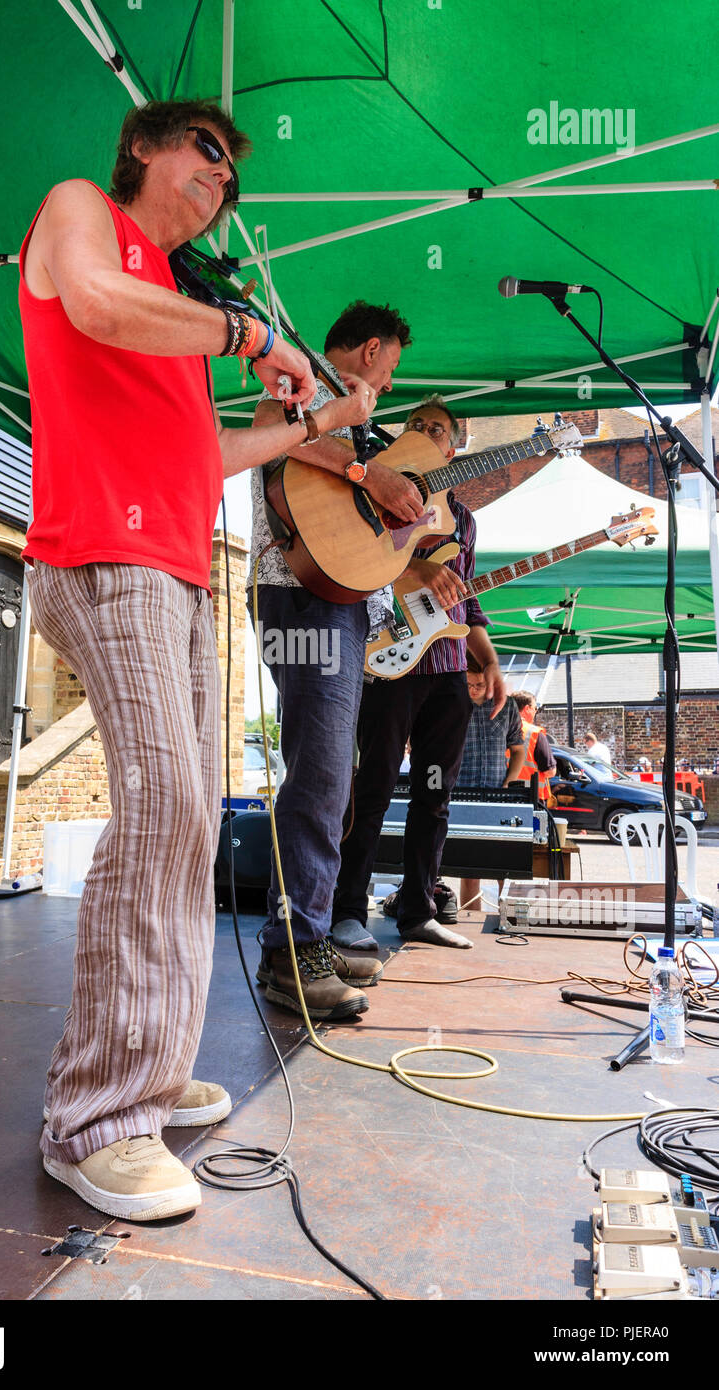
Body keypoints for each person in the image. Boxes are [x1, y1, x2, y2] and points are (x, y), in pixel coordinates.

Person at [17, 97, 381, 1224]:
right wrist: (249, 337)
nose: (220, 181)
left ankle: (150, 1061)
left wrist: (310, 421)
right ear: (142, 150)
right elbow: (90, 302)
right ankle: (92, 1119)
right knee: (168, 805)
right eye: (206, 153)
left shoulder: (174, 304)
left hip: (176, 566)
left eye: (230, 175)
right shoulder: (82, 216)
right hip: (101, 550)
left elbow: (204, 447)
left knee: (186, 822)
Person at [249, 301, 422, 1019]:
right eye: (392, 365)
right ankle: (294, 952)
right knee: (319, 778)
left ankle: (309, 929)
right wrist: (367, 473)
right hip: (304, 597)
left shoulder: (348, 412)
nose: (391, 380)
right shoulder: (305, 384)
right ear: (373, 349)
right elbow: (266, 435)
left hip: (338, 604)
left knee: (332, 779)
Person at [331, 396, 507, 953]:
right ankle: (346, 911)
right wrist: (418, 566)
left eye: (437, 429)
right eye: (416, 424)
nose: (425, 432)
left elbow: (466, 604)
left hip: (449, 667)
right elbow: (359, 560)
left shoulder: (467, 518)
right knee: (374, 786)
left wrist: (490, 660)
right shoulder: (382, 497)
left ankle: (418, 910)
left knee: (435, 794)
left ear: (455, 447)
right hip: (390, 660)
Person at [456, 654, 525, 912]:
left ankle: (506, 919)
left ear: (491, 682)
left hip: (498, 793)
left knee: (503, 865)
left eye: (479, 685)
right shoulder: (454, 704)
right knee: (469, 867)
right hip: (462, 792)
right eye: (468, 685)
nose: (473, 690)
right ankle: (470, 925)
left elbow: (518, 749)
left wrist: (510, 782)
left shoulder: (506, 706)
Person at [509, 691, 556, 800]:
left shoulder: (497, 730)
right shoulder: (533, 733)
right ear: (527, 709)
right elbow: (550, 771)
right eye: (535, 708)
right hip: (530, 798)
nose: (536, 712)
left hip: (500, 796)